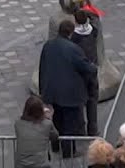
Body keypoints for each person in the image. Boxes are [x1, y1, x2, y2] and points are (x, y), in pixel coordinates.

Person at [38, 18, 96, 157]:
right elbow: (85, 67)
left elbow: (42, 67)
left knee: (57, 118)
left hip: (52, 91)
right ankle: (68, 151)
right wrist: (93, 68)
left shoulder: (48, 45)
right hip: (70, 94)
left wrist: (43, 90)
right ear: (70, 33)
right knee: (70, 123)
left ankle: (56, 145)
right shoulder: (74, 49)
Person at [71, 9, 100, 136]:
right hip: (92, 70)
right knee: (92, 100)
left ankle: (80, 129)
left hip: (79, 74)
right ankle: (93, 128)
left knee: (79, 101)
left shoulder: (74, 37)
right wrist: (88, 12)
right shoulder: (93, 31)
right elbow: (96, 19)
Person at [14, 96, 59, 168]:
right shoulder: (47, 124)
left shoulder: (18, 124)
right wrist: (48, 118)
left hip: (21, 165)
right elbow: (55, 136)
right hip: (41, 165)